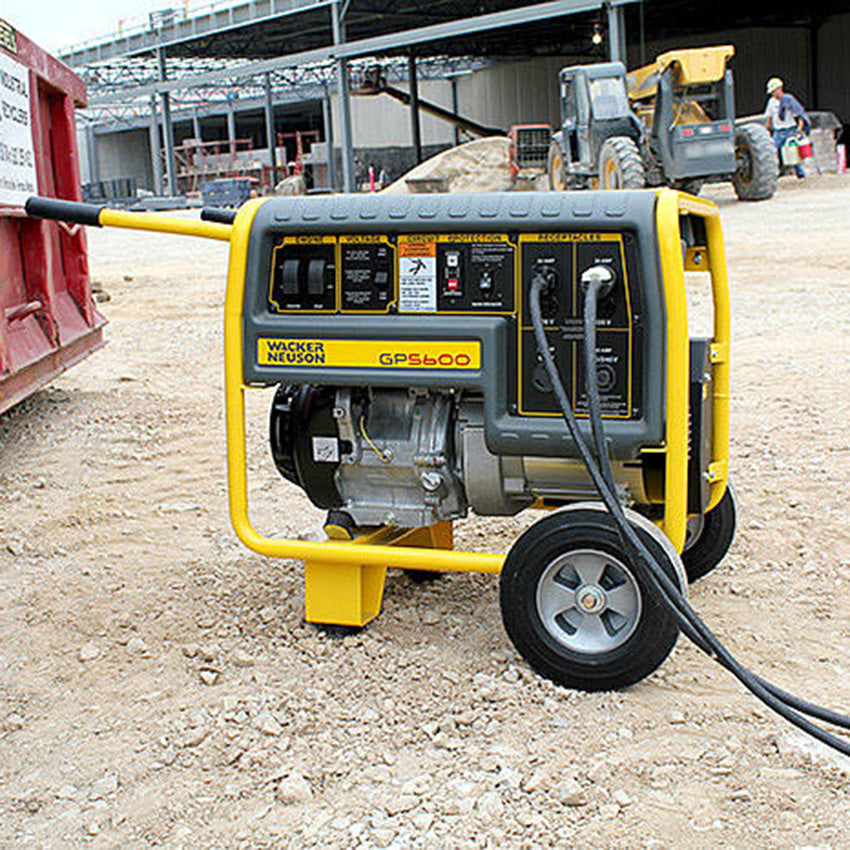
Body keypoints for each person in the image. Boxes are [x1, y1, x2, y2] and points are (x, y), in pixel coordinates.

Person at [765, 77, 811, 179]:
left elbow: (800, 115)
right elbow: (769, 116)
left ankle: (800, 174)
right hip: (778, 131)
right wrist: (768, 129)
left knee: (793, 151)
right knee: (773, 151)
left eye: (774, 91)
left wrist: (799, 130)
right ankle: (775, 173)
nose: (773, 94)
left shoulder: (789, 100)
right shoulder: (771, 102)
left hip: (790, 130)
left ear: (779, 89)